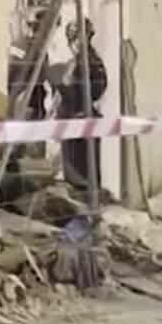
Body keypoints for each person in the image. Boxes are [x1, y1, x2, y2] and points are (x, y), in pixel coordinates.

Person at [55, 15, 109, 196]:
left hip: (79, 122)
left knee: (81, 175)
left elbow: (93, 89)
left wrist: (64, 87)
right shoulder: (81, 60)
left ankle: (85, 210)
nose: (73, 43)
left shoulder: (88, 61)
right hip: (75, 121)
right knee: (81, 173)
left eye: (75, 38)